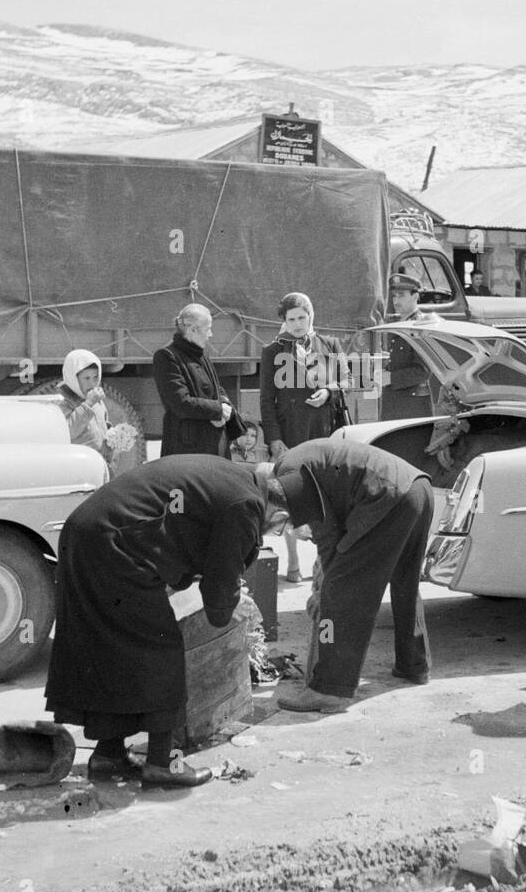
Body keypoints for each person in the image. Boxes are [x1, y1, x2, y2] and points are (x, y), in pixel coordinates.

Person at [45, 454, 271, 788]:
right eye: (280, 526)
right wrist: (227, 615)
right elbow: (220, 584)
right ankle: (163, 764)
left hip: (89, 533)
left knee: (113, 649)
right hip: (112, 543)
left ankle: (109, 755)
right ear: (277, 510)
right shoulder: (246, 503)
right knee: (160, 646)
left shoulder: (233, 477)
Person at [257, 436, 434, 713]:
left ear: (272, 502)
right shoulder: (304, 462)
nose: (289, 527)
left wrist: (324, 591)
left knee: (343, 592)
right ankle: (414, 665)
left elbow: (328, 537)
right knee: (405, 581)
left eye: (281, 525)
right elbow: (333, 523)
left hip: (386, 497)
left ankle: (330, 690)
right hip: (418, 488)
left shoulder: (289, 475)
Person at [259, 291, 350, 583]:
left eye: (302, 317)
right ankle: (294, 563)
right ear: (284, 321)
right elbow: (266, 399)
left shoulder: (331, 344)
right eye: (291, 319)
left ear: (311, 316)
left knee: (326, 496)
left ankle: (323, 565)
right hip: (291, 432)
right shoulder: (273, 351)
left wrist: (328, 391)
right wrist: (273, 438)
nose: (298, 323)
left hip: (324, 430)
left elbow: (347, 379)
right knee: (292, 496)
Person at [153, 303, 244, 457]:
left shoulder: (201, 353)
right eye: (208, 329)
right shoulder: (166, 356)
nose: (211, 335)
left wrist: (225, 405)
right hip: (187, 450)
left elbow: (216, 389)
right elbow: (179, 402)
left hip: (214, 448)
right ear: (193, 330)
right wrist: (218, 410)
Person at [380, 273, 439, 421]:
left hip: (413, 405)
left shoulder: (422, 326)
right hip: (395, 401)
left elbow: (423, 370)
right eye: (394, 296)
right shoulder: (401, 323)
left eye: (401, 295)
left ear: (415, 297)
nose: (396, 301)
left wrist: (390, 378)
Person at [53, 349, 115, 472]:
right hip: (79, 467)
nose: (92, 383)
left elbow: (102, 423)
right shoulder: (63, 401)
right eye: (86, 378)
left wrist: (113, 434)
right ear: (73, 378)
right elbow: (68, 431)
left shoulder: (97, 400)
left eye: (95, 377)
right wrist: (89, 404)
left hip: (100, 464)